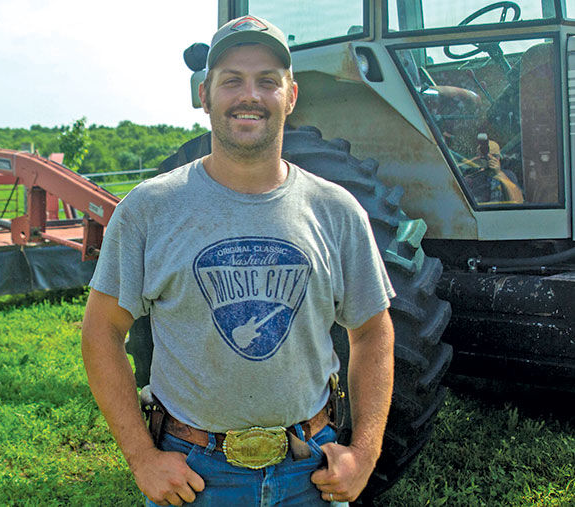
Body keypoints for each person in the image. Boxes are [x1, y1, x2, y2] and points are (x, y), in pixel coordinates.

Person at [81, 15, 395, 506]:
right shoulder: (148, 209)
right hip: (193, 476)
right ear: (205, 95)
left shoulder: (337, 211)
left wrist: (365, 451)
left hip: (310, 473)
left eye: (267, 81)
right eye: (232, 81)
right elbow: (101, 331)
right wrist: (142, 457)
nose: (249, 95)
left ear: (291, 96)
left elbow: (373, 330)